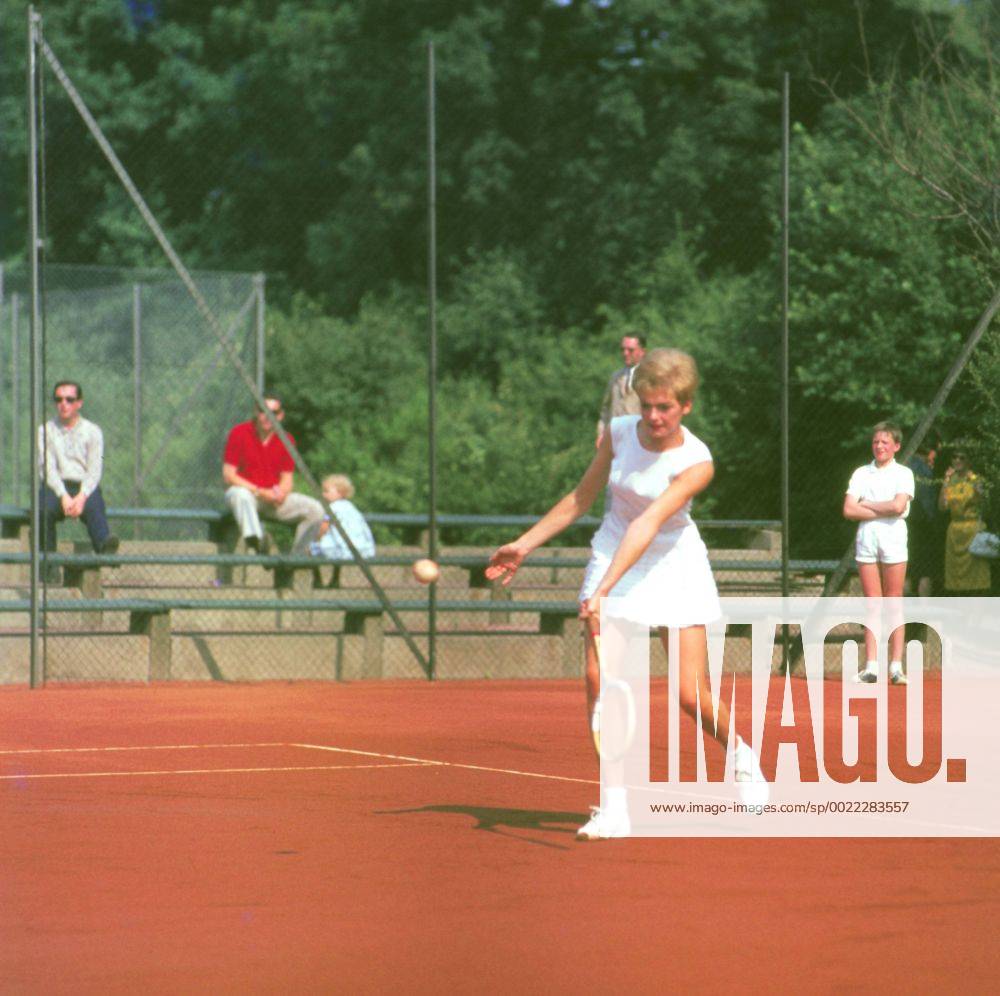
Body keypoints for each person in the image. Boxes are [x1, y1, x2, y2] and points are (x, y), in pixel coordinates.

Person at [488, 348, 766, 841]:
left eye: (665, 408)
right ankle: (613, 805)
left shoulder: (696, 461)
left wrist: (604, 588)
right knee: (599, 676)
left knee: (689, 694)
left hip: (673, 563)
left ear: (686, 407)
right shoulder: (619, 434)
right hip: (615, 548)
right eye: (646, 405)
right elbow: (581, 497)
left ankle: (742, 753)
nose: (653, 417)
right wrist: (524, 545)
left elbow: (650, 521)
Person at [842, 421, 915, 685]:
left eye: (885, 442)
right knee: (873, 601)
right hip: (867, 539)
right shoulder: (861, 473)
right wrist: (879, 509)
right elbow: (849, 510)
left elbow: (898, 507)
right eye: (876, 442)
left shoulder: (904, 473)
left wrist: (869, 504)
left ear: (896, 446)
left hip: (894, 538)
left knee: (893, 600)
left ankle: (896, 667)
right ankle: (871, 666)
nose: (879, 446)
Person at [38, 380, 119, 584]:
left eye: (69, 399)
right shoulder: (45, 430)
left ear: (79, 403)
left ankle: (105, 547)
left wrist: (81, 497)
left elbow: (95, 469)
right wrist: (63, 495)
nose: (63, 404)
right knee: (43, 511)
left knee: (94, 506)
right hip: (56, 485)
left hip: (85, 485)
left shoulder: (93, 432)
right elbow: (46, 468)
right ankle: (48, 567)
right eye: (58, 399)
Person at [222, 397, 324, 555]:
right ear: (256, 413)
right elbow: (229, 476)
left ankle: (296, 559)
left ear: (281, 415)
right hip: (248, 497)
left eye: (273, 412)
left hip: (273, 500)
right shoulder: (239, 432)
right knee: (239, 494)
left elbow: (287, 479)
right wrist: (261, 492)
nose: (267, 416)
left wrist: (281, 494)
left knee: (315, 508)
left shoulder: (287, 439)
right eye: (263, 410)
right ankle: (257, 542)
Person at [938, 447, 991, 596]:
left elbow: (986, 506)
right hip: (955, 530)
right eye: (955, 457)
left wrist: (980, 494)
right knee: (956, 579)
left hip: (972, 529)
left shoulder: (976, 479)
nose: (957, 461)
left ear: (969, 461)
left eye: (962, 457)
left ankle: (976, 614)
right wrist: (945, 481)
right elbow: (942, 507)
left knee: (976, 577)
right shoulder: (951, 480)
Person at [310, 474, 376, 587]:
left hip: (341, 550)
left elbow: (324, 527)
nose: (323, 494)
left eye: (326, 491)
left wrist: (317, 538)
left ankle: (317, 580)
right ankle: (335, 578)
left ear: (340, 492)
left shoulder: (332, 508)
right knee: (337, 541)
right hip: (360, 548)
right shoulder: (351, 507)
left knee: (311, 548)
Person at [906, 434, 943, 596]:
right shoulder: (924, 470)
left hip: (904, 524)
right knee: (925, 572)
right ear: (930, 450)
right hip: (922, 526)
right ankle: (924, 616)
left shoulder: (904, 465)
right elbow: (927, 502)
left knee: (906, 571)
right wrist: (935, 524)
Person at [595, 333, 646, 449]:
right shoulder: (616, 377)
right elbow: (605, 410)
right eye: (623, 349)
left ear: (642, 352)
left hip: (639, 443)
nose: (625, 353)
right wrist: (601, 434)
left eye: (630, 350)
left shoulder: (649, 378)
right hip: (615, 443)